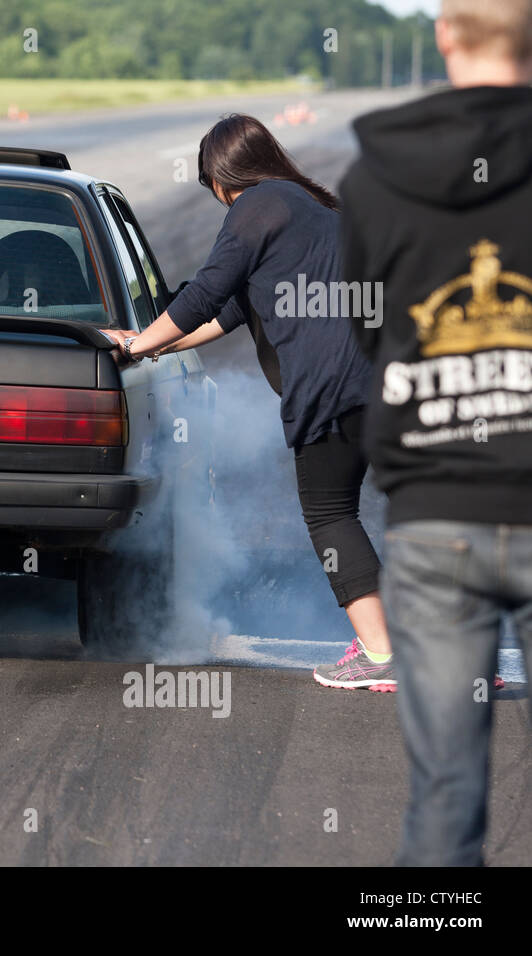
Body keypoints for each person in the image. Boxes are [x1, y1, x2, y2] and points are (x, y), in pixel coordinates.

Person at [102, 114, 395, 690]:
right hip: (380, 382)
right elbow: (225, 313)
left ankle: (382, 654)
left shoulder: (257, 207)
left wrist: (137, 342)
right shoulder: (311, 211)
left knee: (331, 512)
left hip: (331, 389)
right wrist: (146, 351)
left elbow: (203, 294)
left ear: (222, 174)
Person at [339, 0, 532, 865]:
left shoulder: (372, 181)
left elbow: (369, 331)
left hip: (432, 511)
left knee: (446, 796)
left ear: (445, 35)